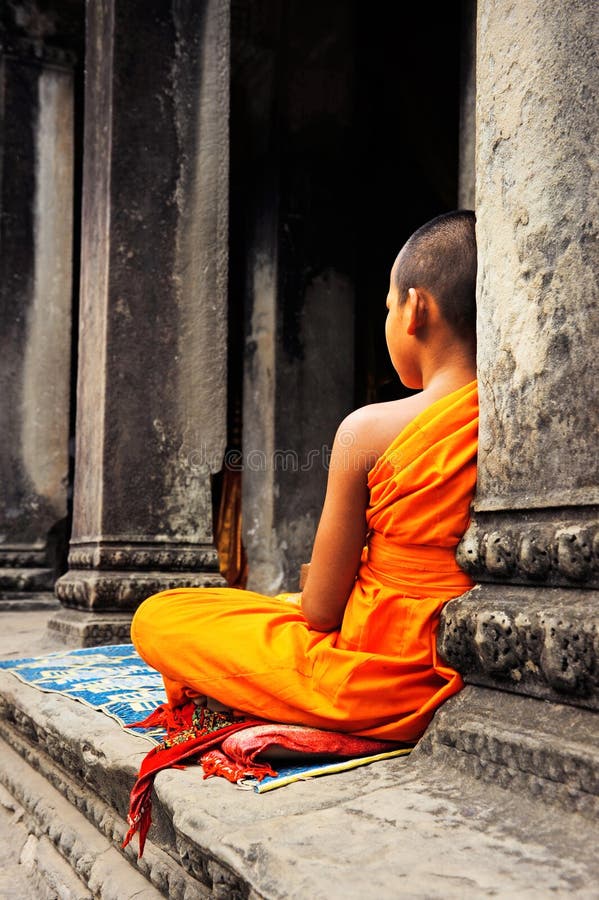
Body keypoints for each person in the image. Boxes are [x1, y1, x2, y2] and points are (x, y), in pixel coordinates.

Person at [131, 210, 478, 744]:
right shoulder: (514, 424)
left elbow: (320, 613)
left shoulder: (366, 430)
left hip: (369, 680)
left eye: (387, 307)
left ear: (415, 310)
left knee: (160, 615)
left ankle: (284, 709)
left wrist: (321, 587)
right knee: (267, 606)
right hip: (474, 670)